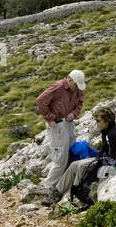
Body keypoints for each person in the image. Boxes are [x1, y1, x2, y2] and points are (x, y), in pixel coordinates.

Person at [52, 104, 116, 207]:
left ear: (107, 120)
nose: (97, 123)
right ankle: (57, 192)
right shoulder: (105, 131)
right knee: (74, 165)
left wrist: (97, 162)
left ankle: (79, 196)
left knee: (82, 167)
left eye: (98, 121)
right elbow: (104, 151)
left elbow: (113, 156)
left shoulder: (114, 133)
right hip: (106, 159)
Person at [36, 69, 86, 205]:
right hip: (57, 126)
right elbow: (41, 101)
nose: (77, 88)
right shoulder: (57, 87)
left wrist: (74, 114)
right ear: (70, 80)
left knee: (71, 154)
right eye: (76, 85)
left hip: (68, 123)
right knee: (60, 159)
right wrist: (49, 118)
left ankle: (62, 186)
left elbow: (80, 102)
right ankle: (49, 189)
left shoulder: (77, 88)